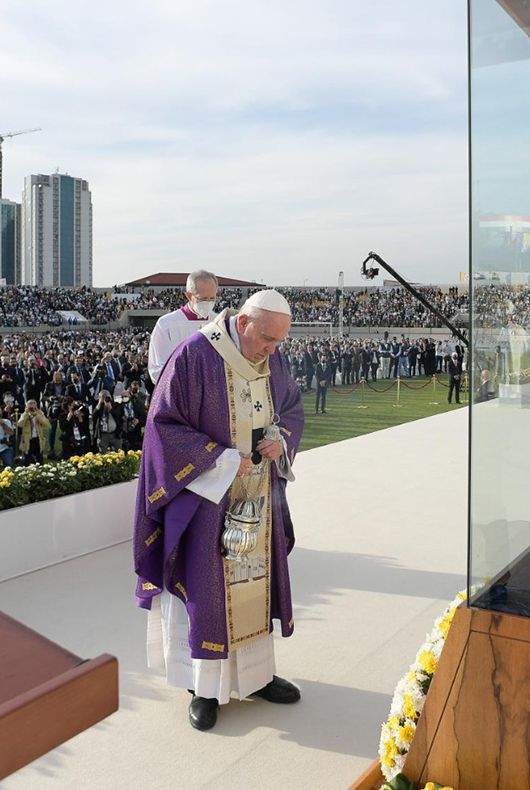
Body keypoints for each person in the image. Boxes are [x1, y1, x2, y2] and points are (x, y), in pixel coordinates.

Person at [134, 289, 305, 732]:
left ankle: (257, 675)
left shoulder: (273, 357)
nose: (273, 350)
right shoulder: (195, 356)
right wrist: (224, 460)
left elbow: (291, 408)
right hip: (207, 501)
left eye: (279, 343)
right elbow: (163, 426)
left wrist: (281, 439)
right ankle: (204, 688)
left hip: (259, 496)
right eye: (268, 339)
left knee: (254, 586)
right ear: (245, 323)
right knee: (210, 589)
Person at [148, 270, 219, 384]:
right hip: (180, 393)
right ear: (189, 296)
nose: (208, 303)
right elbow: (158, 370)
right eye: (203, 299)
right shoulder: (167, 324)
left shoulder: (219, 322)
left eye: (212, 298)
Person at [15, 399, 50, 466]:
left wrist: (37, 415)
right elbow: (19, 424)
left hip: (38, 439)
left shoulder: (40, 413)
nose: (31, 409)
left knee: (39, 462)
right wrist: (26, 414)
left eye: (32, 408)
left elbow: (47, 425)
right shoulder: (24, 414)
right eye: (29, 408)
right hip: (28, 440)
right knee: (28, 462)